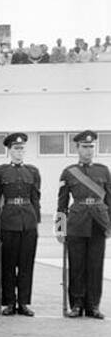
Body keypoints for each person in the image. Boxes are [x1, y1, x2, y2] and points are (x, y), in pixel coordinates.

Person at [0, 133, 41, 316]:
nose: (19, 152)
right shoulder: (0, 171)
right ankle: (8, 302)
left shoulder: (32, 171)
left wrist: (36, 222)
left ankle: (24, 302)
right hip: (8, 221)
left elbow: (36, 199)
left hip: (28, 221)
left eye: (22, 148)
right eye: (16, 148)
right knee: (8, 264)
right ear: (9, 150)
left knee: (26, 264)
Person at [58, 130, 109, 319]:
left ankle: (93, 305)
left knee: (95, 267)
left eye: (91, 147)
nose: (88, 150)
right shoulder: (69, 172)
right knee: (77, 266)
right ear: (77, 148)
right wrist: (60, 229)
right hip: (76, 224)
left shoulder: (103, 170)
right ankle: (77, 305)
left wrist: (109, 225)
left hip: (98, 223)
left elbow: (110, 200)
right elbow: (61, 203)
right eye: (85, 147)